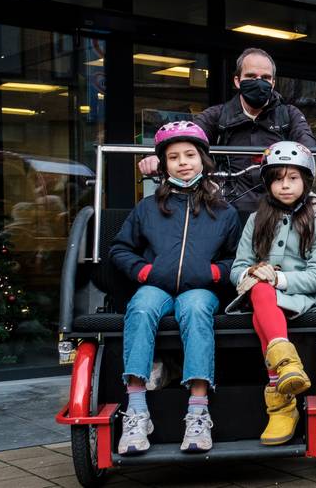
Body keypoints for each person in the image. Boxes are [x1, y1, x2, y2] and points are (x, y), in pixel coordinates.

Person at [110, 121, 241, 455]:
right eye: (173, 157)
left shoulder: (224, 213)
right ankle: (137, 411)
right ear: (164, 165)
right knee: (139, 308)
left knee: (196, 310)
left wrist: (213, 273)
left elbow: (237, 259)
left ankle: (198, 411)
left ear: (203, 160)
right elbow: (120, 249)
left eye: (190, 155)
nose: (183, 162)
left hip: (200, 289)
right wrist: (144, 272)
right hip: (157, 287)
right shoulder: (148, 208)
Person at [226, 141, 316, 446]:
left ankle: (282, 402)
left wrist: (278, 278)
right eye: (277, 178)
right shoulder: (256, 219)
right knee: (260, 291)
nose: (284, 185)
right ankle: (287, 369)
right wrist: (252, 273)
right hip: (261, 296)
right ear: (268, 182)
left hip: (301, 297)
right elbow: (237, 268)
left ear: (306, 181)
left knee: (264, 294)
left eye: (293, 178)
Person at [138, 48, 316, 212]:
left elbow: (308, 147)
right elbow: (186, 136)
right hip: (228, 207)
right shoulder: (218, 115)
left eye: (265, 78)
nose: (259, 83)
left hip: (278, 206)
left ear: (273, 82)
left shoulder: (289, 115)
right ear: (237, 81)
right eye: (251, 76)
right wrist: (158, 156)